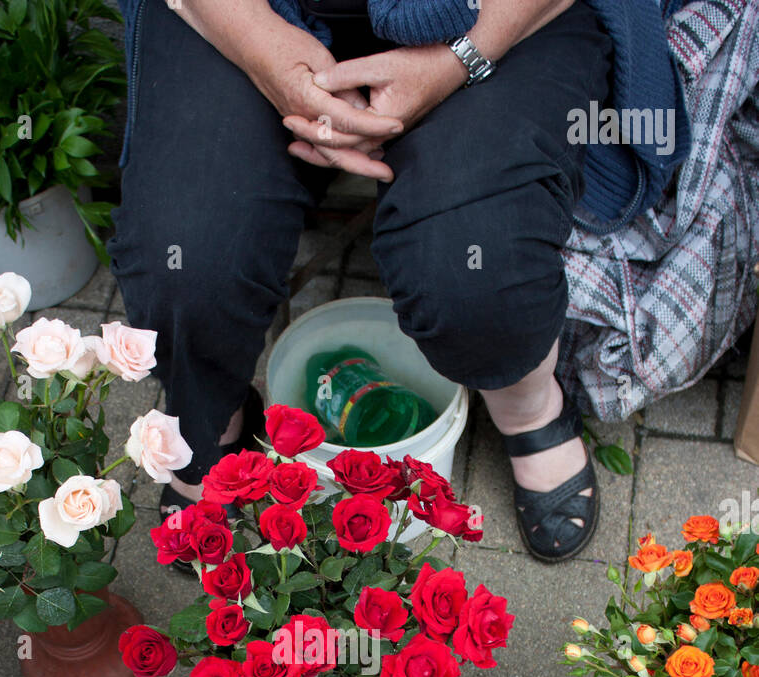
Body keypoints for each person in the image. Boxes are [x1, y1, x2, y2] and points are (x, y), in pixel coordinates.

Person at [109, 0, 689, 562]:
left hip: (492, 13)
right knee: (181, 263)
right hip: (245, 10)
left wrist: (461, 56)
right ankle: (213, 417)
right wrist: (260, 46)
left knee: (475, 269)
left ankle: (531, 411)